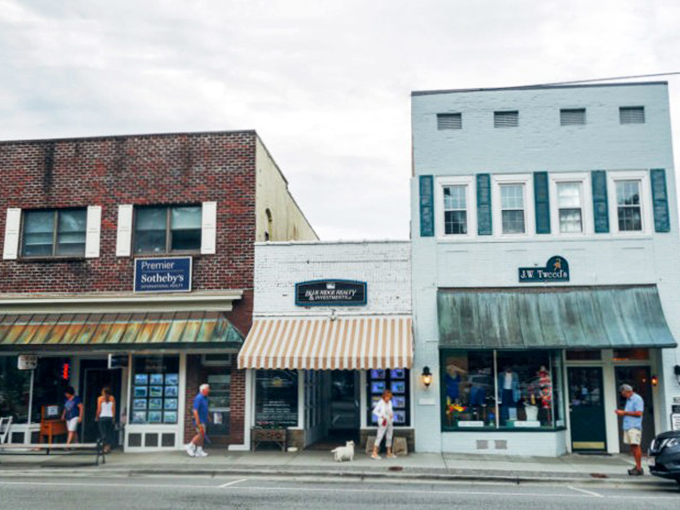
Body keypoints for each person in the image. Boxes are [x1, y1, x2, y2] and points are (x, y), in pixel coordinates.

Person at [616, 383, 644, 476]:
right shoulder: (629, 400)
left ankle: (639, 468)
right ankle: (637, 466)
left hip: (634, 426)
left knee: (636, 446)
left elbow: (639, 413)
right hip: (628, 426)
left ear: (628, 391)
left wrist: (624, 412)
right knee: (632, 447)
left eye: (623, 393)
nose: (623, 395)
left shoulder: (637, 399)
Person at [186, 383, 210, 457]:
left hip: (203, 419)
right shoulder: (198, 398)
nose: (209, 390)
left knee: (202, 435)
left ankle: (199, 450)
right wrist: (197, 420)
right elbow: (195, 410)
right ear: (203, 390)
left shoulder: (205, 398)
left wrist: (208, 416)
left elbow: (205, 409)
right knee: (200, 434)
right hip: (199, 420)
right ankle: (190, 446)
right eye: (207, 389)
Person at [371, 389, 396, 460]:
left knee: (389, 436)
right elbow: (374, 411)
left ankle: (389, 452)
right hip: (383, 421)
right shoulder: (381, 403)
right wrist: (381, 416)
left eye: (389, 397)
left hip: (390, 421)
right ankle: (374, 453)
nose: (388, 398)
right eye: (387, 397)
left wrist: (391, 414)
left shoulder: (390, 402)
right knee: (380, 436)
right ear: (384, 396)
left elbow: (390, 410)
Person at [96, 387, 116, 453]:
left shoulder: (100, 399)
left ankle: (104, 447)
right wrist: (113, 417)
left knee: (103, 433)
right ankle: (108, 447)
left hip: (102, 417)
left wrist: (97, 416)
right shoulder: (112, 398)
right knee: (109, 432)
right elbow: (113, 409)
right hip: (110, 417)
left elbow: (99, 409)